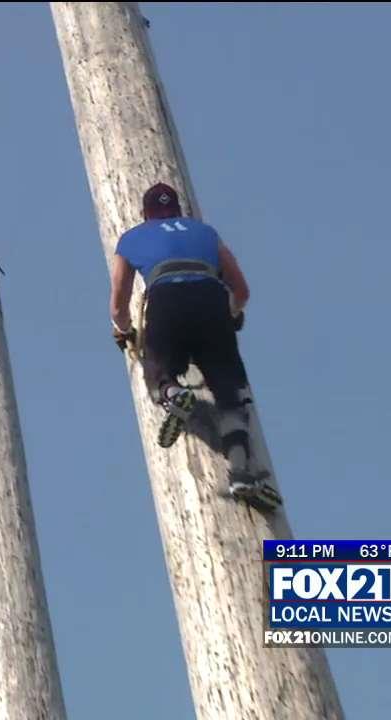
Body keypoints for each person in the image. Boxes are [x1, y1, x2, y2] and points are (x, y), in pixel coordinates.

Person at [108, 182, 279, 510]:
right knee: (229, 390)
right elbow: (241, 290)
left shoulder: (131, 238)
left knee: (158, 370)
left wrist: (124, 330)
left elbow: (119, 301)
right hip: (212, 300)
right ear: (178, 211)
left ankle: (173, 394)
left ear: (146, 214)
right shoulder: (206, 233)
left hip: (164, 299)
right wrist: (230, 314)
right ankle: (241, 469)